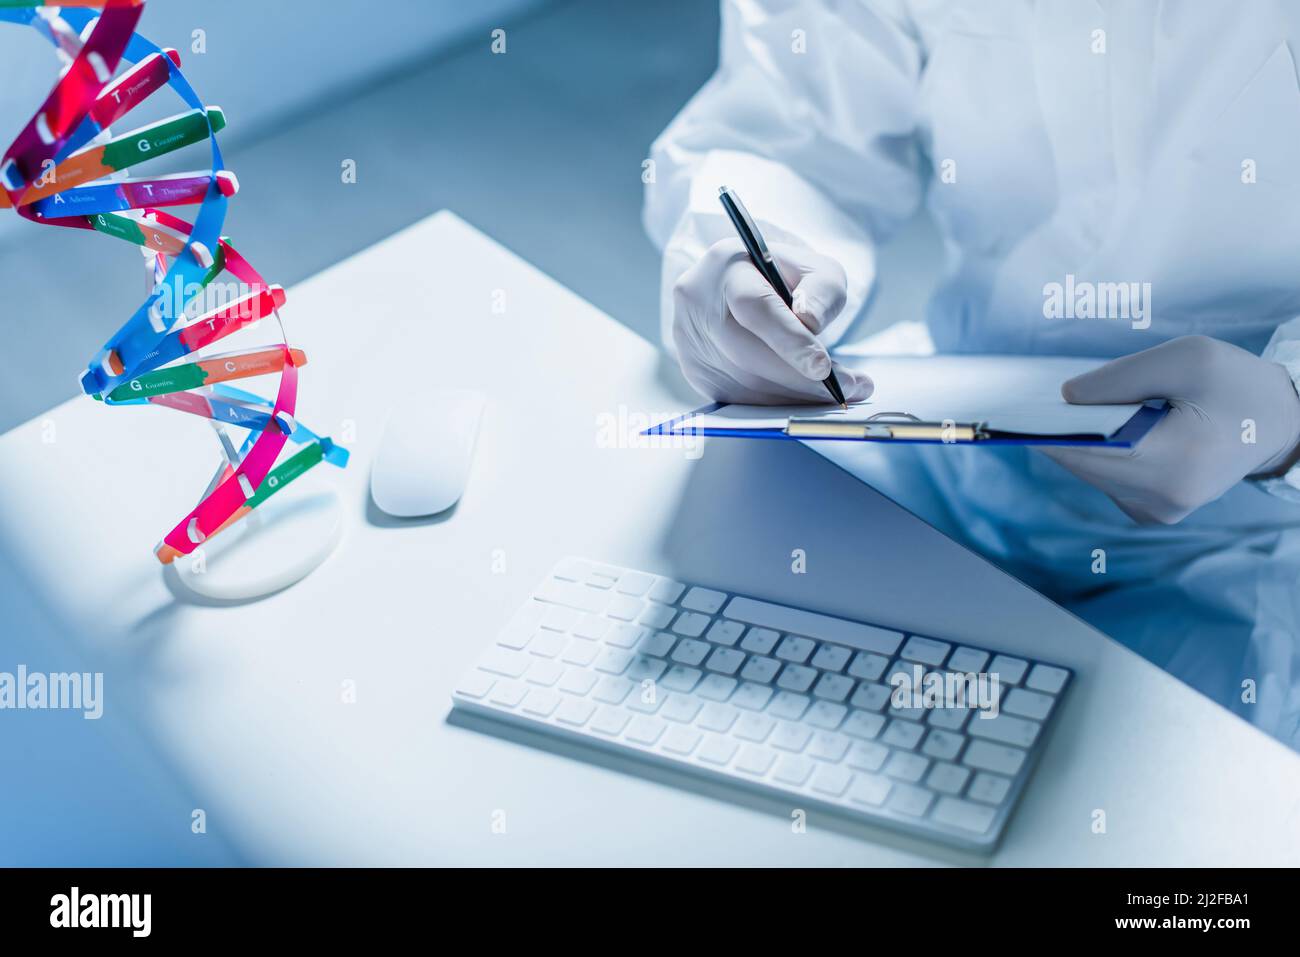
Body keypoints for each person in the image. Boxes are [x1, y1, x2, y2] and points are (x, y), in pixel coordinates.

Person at [644, 0, 1300, 751]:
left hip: (1262, 536)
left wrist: (1286, 417)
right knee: (699, 682)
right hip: (958, 456)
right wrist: (750, 263)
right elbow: (791, 130)